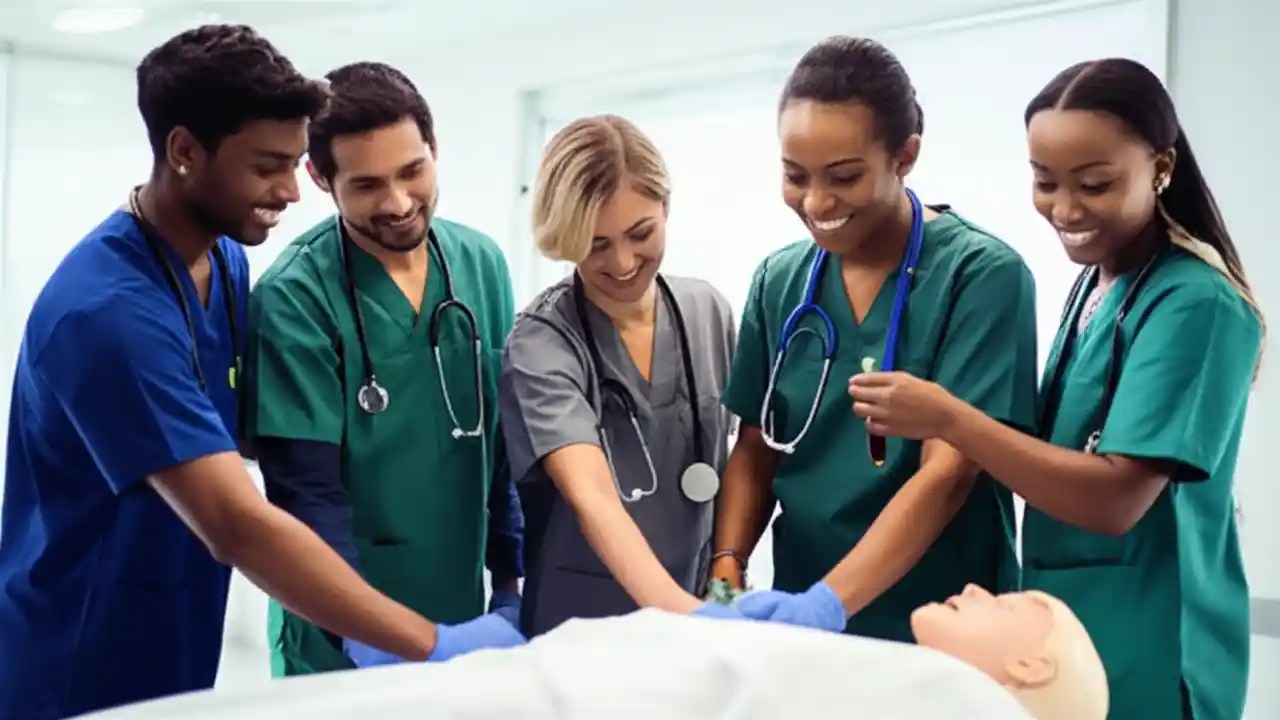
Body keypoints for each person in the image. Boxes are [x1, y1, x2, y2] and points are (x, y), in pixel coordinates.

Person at [0, 26, 518, 720]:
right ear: (184, 152)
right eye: (267, 166)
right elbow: (236, 521)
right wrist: (430, 645)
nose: (292, 191)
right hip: (74, 659)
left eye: (294, 162)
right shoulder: (105, 314)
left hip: (176, 641)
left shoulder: (222, 261)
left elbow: (237, 428)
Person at [849, 58, 1263, 720]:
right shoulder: (1096, 288)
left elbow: (1115, 499)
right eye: (1045, 183)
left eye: (1095, 185)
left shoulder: (1197, 303)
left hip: (1152, 648)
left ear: (1161, 168)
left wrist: (952, 419)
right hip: (1067, 641)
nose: (1064, 209)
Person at [709, 36, 1040, 640]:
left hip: (943, 625)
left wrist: (830, 603)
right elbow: (756, 449)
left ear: (905, 155)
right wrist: (726, 573)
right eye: (794, 175)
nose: (815, 201)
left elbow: (948, 474)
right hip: (802, 614)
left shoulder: (982, 276)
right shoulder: (779, 280)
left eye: (844, 176)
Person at [240, 61, 524, 674]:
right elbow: (306, 495)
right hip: (338, 638)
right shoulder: (295, 297)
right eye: (367, 185)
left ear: (434, 149)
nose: (398, 203)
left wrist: (512, 577)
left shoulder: (482, 264)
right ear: (319, 177)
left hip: (462, 618)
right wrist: (362, 634)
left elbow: (503, 443)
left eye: (412, 171)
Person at [498, 115, 744, 636]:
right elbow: (593, 497)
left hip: (694, 610)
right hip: (582, 628)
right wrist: (685, 616)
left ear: (666, 209)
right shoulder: (543, 343)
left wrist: (719, 591)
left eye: (641, 233)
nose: (624, 261)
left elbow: (735, 466)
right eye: (596, 243)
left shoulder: (708, 311)